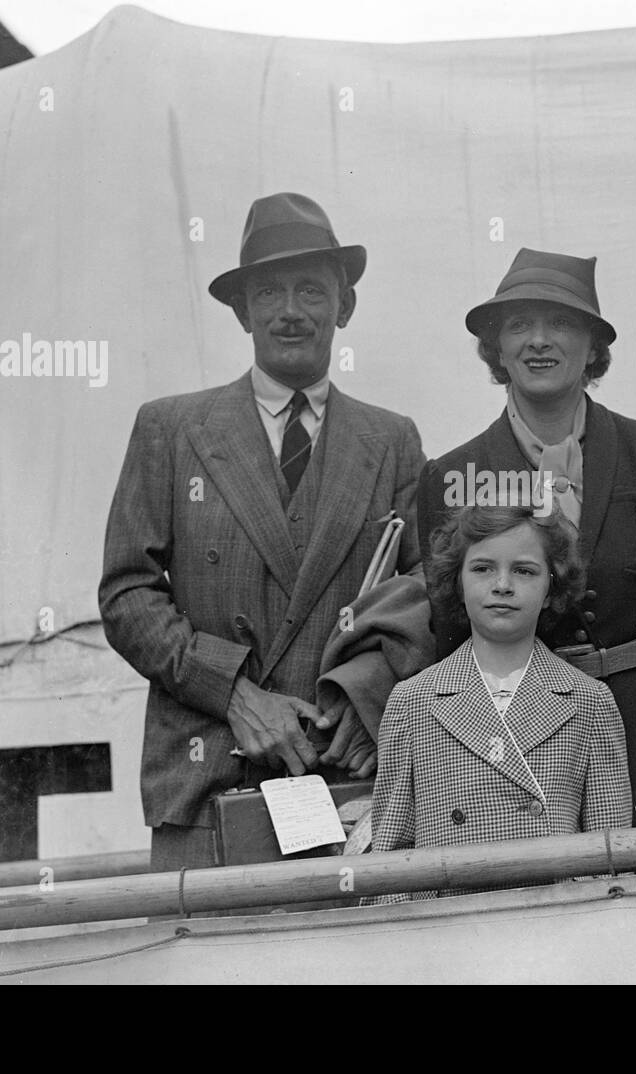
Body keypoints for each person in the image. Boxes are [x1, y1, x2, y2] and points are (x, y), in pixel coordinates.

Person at [99, 192, 426, 871]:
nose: (290, 310)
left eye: (312, 290)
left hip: (345, 775)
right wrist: (237, 695)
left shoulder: (392, 441)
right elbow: (128, 594)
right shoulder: (172, 430)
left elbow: (424, 595)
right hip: (206, 777)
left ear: (345, 306)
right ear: (242, 311)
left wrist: (355, 697)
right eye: (269, 291)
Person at [417, 248, 636, 828]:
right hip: (520, 743)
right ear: (496, 348)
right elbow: (450, 646)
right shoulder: (452, 476)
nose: (539, 341)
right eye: (519, 325)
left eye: (562, 323)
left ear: (594, 347)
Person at [369, 505, 631, 895]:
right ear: (457, 583)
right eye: (483, 568)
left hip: (558, 927)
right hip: (448, 932)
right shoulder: (413, 701)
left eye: (524, 571)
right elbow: (390, 861)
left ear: (550, 590)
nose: (502, 585)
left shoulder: (590, 701)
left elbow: (612, 857)